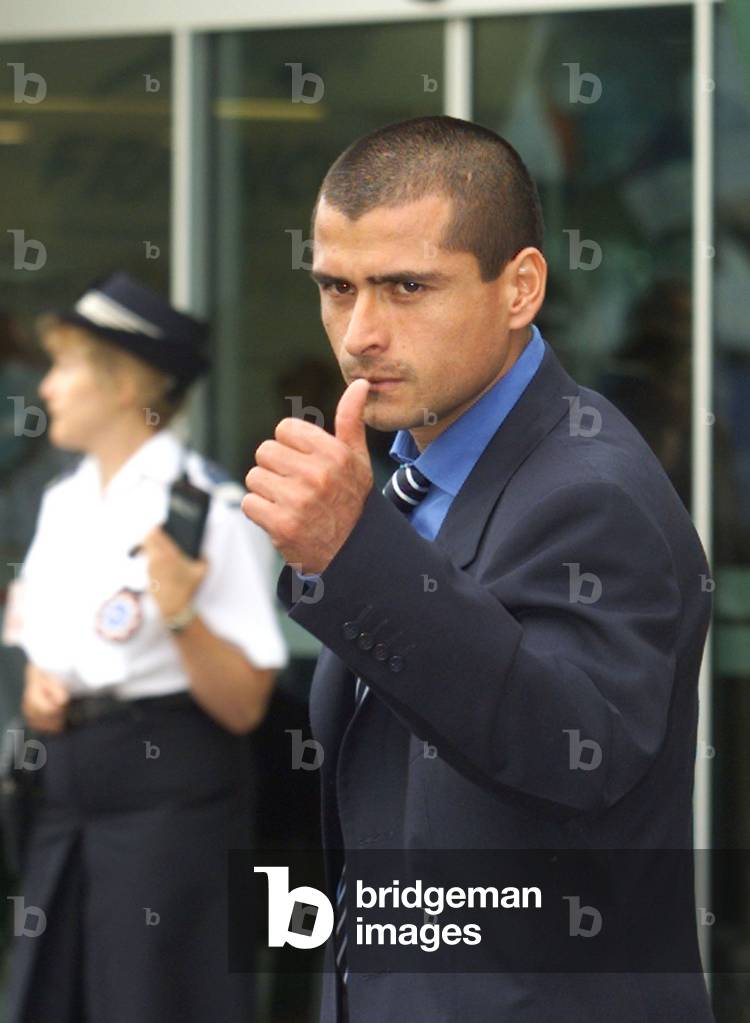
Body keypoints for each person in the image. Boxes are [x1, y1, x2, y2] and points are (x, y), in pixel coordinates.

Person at [242, 116, 715, 1022]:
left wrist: (353, 556)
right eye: (336, 287)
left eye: (406, 287)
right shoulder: (420, 471)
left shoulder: (592, 486)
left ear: (521, 288)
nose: (360, 332)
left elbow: (570, 752)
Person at [6, 272, 288, 1022]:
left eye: (66, 367)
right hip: (68, 794)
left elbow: (245, 702)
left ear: (127, 383)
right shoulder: (65, 503)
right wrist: (40, 683)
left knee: (155, 1000)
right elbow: (40, 638)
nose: (48, 388)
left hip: (164, 798)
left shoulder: (206, 510)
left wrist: (180, 614)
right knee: (49, 995)